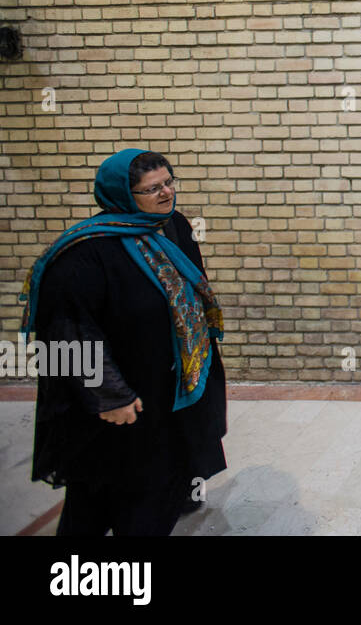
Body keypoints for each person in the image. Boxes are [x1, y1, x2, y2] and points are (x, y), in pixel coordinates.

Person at [20, 148, 227, 535]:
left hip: (168, 390)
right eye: (152, 189)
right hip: (120, 401)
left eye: (169, 182)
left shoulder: (172, 227)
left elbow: (192, 293)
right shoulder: (86, 253)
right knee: (104, 493)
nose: (166, 193)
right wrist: (108, 395)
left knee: (158, 483)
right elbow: (65, 333)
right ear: (121, 195)